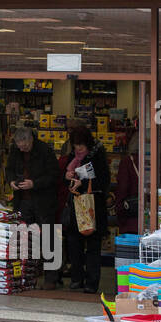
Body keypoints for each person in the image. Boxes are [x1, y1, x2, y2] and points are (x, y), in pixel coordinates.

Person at [4, 125, 61, 289]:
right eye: (19, 146)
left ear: (31, 140)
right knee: (24, 239)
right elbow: (8, 170)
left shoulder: (44, 150)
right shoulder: (16, 151)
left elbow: (53, 175)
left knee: (48, 239)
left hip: (43, 201)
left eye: (25, 146)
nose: (22, 149)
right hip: (23, 200)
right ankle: (26, 276)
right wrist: (12, 181)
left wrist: (34, 183)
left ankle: (51, 278)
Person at [61, 124, 111, 294]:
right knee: (74, 244)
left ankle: (91, 282)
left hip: (92, 206)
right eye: (75, 144)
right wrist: (68, 177)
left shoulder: (96, 156)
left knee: (92, 246)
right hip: (76, 206)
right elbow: (65, 180)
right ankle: (76, 278)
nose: (78, 148)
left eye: (81, 144)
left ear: (87, 143)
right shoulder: (72, 157)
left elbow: (104, 181)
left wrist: (85, 182)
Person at [113, 125, 142, 235]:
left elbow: (122, 188)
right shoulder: (155, 161)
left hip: (130, 216)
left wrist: (119, 210)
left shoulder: (128, 162)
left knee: (129, 248)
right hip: (149, 214)